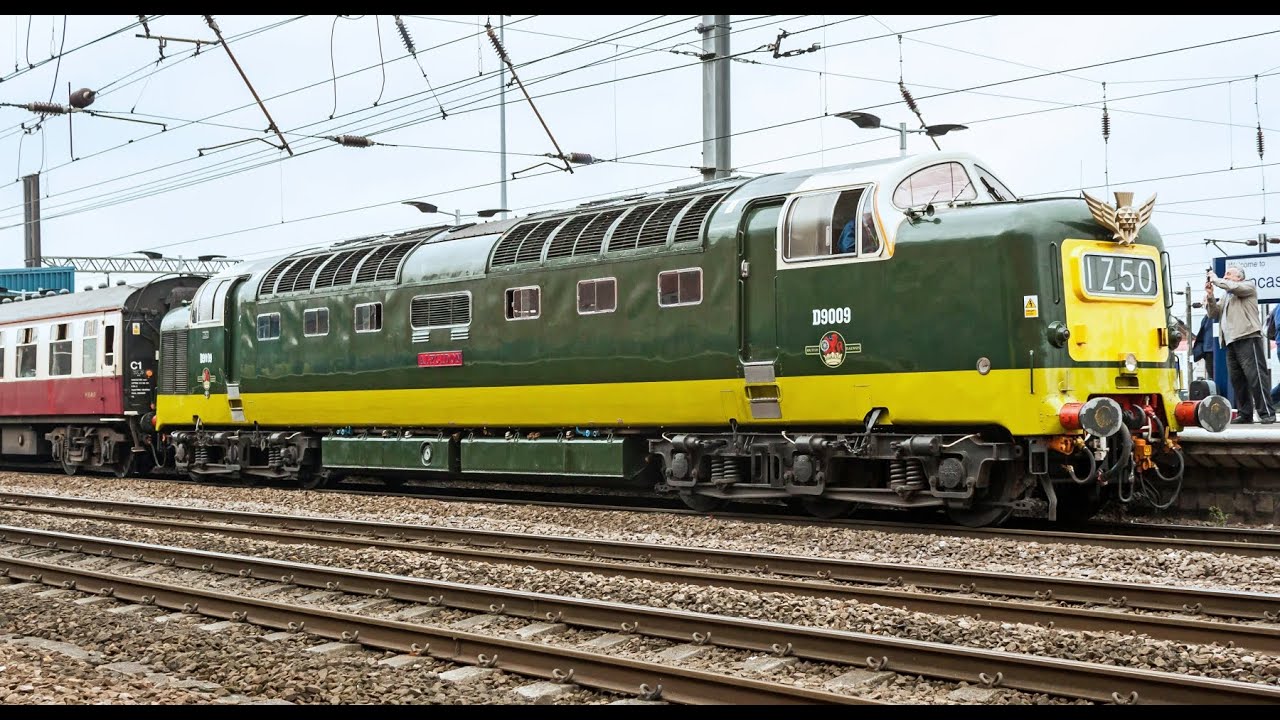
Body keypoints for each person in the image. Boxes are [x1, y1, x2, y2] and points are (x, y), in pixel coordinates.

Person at [1204, 265, 1276, 424]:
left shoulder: (1248, 286)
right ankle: (1245, 414)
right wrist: (1210, 296)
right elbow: (1213, 313)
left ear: (1239, 277)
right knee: (1238, 380)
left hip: (1248, 337)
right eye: (1225, 274)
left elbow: (1232, 287)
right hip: (1231, 341)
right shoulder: (1226, 297)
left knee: (1256, 376)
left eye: (1229, 274)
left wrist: (1216, 279)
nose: (1226, 276)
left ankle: (1267, 413)